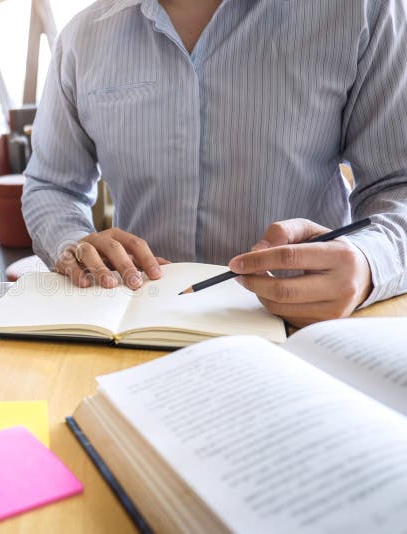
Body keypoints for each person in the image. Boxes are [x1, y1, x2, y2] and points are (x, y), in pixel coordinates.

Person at [22, 0, 407, 327]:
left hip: (307, 328)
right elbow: (51, 185)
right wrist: (72, 243)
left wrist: (370, 262)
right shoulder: (82, 37)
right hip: (137, 328)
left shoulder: (364, 11)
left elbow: (399, 185)